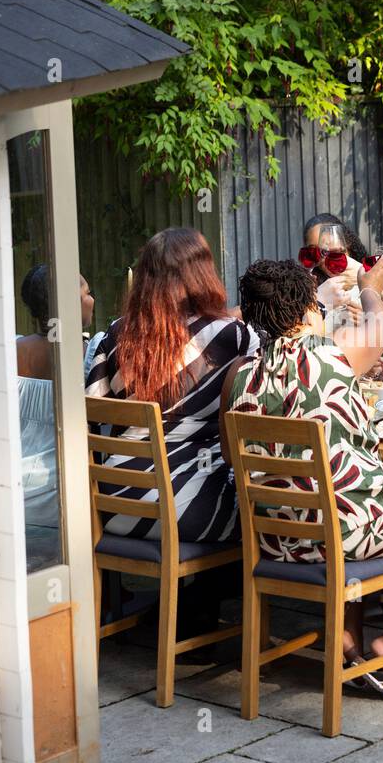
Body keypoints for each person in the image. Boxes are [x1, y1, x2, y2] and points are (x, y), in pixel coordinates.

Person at [224, 258, 383, 700]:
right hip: (339, 536)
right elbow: (381, 323)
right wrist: (369, 286)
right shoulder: (335, 356)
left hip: (272, 538)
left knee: (350, 506)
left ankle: (346, 635)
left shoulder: (237, 376)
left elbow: (229, 457)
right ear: (308, 308)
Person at [87, 229, 259, 631]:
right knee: (269, 511)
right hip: (180, 510)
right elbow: (261, 409)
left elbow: (93, 412)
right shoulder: (234, 338)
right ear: (202, 274)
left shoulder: (114, 334)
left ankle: (181, 609)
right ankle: (191, 613)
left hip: (113, 505)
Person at [16, 264, 96, 380]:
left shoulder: (15, 349)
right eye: (88, 293)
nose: (92, 299)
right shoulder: (91, 355)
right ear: (69, 303)